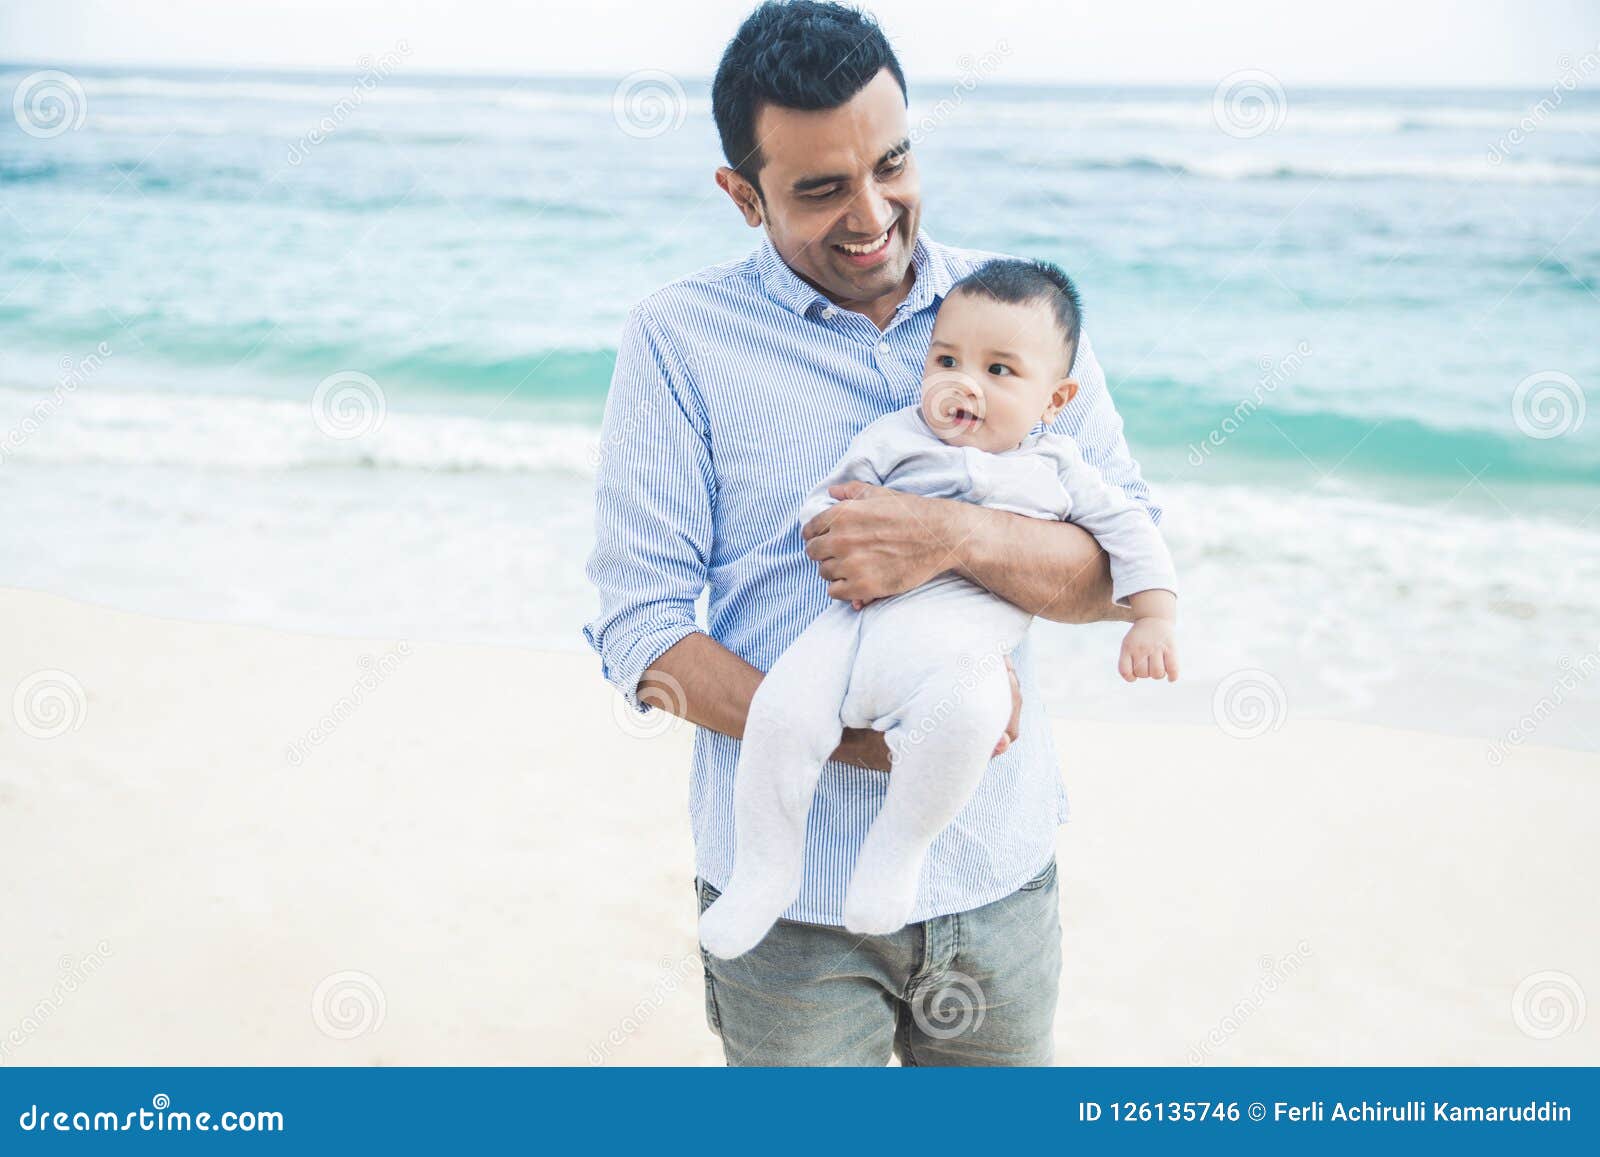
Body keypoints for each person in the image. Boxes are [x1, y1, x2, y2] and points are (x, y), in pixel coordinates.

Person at [583, 0, 1162, 1066]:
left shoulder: (1023, 321)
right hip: (788, 915)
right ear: (742, 196)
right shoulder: (677, 340)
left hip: (994, 873)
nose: (871, 214)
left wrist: (950, 535)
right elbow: (641, 635)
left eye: (891, 164)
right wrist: (862, 738)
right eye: (820, 189)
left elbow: (1120, 574)